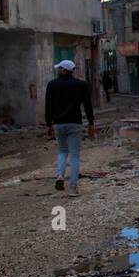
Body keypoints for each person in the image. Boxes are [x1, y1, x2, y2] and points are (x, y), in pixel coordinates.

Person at [45, 60, 94, 196]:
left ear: (63, 70)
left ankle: (60, 175)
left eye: (59, 68)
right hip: (74, 123)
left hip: (58, 123)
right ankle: (73, 187)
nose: (58, 70)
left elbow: (48, 106)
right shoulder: (81, 85)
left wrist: (48, 124)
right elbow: (87, 105)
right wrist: (91, 123)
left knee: (62, 151)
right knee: (74, 155)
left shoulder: (52, 85)